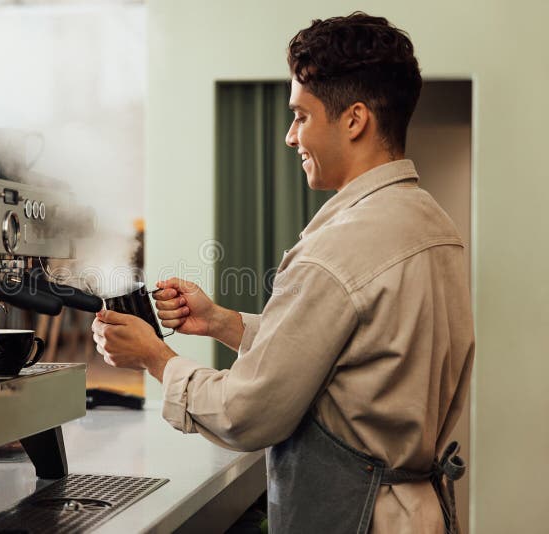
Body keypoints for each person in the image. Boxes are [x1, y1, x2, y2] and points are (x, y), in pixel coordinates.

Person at [91, 12, 474, 534]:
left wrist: (155, 358)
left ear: (355, 120)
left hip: (358, 520)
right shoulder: (433, 225)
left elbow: (246, 414)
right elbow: (355, 355)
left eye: (301, 116)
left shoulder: (338, 248)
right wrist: (223, 322)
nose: (291, 137)